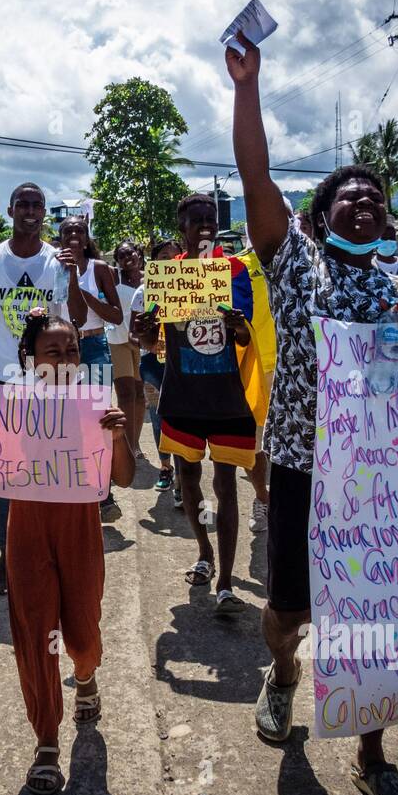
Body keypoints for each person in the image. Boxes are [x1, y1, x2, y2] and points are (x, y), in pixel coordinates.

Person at [229, 30, 398, 795]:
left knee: (373, 615)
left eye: (376, 197)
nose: (366, 202)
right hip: (305, 470)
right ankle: (282, 677)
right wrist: (249, 86)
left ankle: (373, 756)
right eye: (350, 195)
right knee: (292, 613)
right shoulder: (293, 261)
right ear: (318, 216)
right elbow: (255, 172)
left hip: (381, 475)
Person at [0, 309, 134, 795]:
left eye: (72, 350)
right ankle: (47, 740)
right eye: (52, 352)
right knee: (36, 634)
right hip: (27, 530)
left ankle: (86, 674)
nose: (64, 359)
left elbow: (122, 477)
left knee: (81, 628)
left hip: (79, 530)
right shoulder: (8, 406)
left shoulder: (94, 405)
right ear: (28, 358)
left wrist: (118, 436)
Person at [137, 194, 255, 614]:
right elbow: (152, 343)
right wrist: (143, 332)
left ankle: (224, 580)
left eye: (211, 219)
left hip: (228, 398)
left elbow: (244, 339)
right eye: (197, 220)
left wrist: (238, 327)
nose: (205, 225)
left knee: (226, 485)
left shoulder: (237, 270)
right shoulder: (167, 276)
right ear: (182, 227)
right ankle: (203, 551)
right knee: (189, 480)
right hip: (182, 394)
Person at [0, 183, 87, 595]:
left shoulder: (59, 260)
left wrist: (73, 273)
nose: (31, 210)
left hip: (51, 379)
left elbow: (76, 316)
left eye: (38, 204)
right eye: (23, 203)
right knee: (3, 468)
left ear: (44, 213)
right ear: (10, 209)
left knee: (50, 462)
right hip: (4, 380)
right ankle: (6, 550)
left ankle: (48, 546)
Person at [59, 215, 123, 519]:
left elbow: (116, 315)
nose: (73, 234)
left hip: (94, 346)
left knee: (97, 420)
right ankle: (70, 485)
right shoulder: (50, 266)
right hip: (60, 351)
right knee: (61, 419)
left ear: (86, 237)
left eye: (79, 230)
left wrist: (83, 295)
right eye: (67, 230)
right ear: (59, 237)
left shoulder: (99, 269)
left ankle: (103, 491)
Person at [234, 232, 277, 533]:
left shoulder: (311, 264)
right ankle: (262, 498)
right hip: (257, 366)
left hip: (300, 366)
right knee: (255, 442)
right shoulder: (237, 267)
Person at [134, 238, 181, 503]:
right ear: (155, 261)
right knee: (158, 416)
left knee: (182, 417)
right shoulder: (144, 292)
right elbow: (134, 332)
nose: (171, 262)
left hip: (183, 363)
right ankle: (166, 468)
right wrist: (148, 340)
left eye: (177, 256)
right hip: (152, 364)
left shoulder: (195, 288)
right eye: (164, 256)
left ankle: (184, 479)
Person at [107, 241, 146, 460]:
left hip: (143, 344)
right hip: (118, 340)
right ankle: (126, 443)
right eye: (121, 256)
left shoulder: (151, 277)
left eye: (129, 252)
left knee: (140, 394)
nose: (126, 258)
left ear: (138, 253)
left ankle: (135, 441)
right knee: (125, 393)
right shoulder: (114, 278)